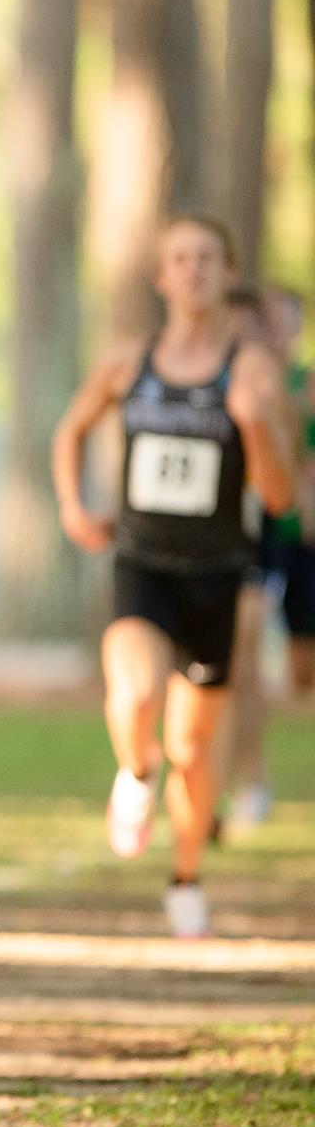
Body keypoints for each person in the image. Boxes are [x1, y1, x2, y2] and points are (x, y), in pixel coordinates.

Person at [51, 214, 297, 937]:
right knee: (133, 691)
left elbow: (279, 497)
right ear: (160, 276)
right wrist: (72, 505)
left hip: (217, 572)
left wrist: (252, 425)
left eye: (207, 259)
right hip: (141, 561)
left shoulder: (252, 371)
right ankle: (133, 772)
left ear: (228, 274)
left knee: (194, 748)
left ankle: (186, 873)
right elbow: (71, 428)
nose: (192, 271)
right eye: (179, 259)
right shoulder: (130, 362)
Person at [220, 287, 315, 830]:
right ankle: (249, 779)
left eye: (286, 324)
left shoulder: (298, 386)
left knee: (303, 674)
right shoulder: (232, 382)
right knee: (243, 655)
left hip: (297, 535)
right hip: (251, 538)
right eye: (267, 324)